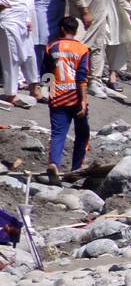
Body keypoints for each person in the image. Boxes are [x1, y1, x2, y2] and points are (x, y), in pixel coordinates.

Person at [43, 16, 90, 181]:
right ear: (75, 30)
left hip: (57, 97)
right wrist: (83, 101)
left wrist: (49, 94)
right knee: (82, 134)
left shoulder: (51, 47)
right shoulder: (82, 49)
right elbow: (82, 77)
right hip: (76, 98)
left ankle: (54, 163)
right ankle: (76, 168)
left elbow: (46, 74)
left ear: (62, 29)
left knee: (58, 133)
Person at [0, 0, 45, 108]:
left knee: (29, 54)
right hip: (7, 19)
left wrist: (27, 19)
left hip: (22, 18)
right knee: (12, 56)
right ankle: (11, 94)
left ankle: (35, 87)